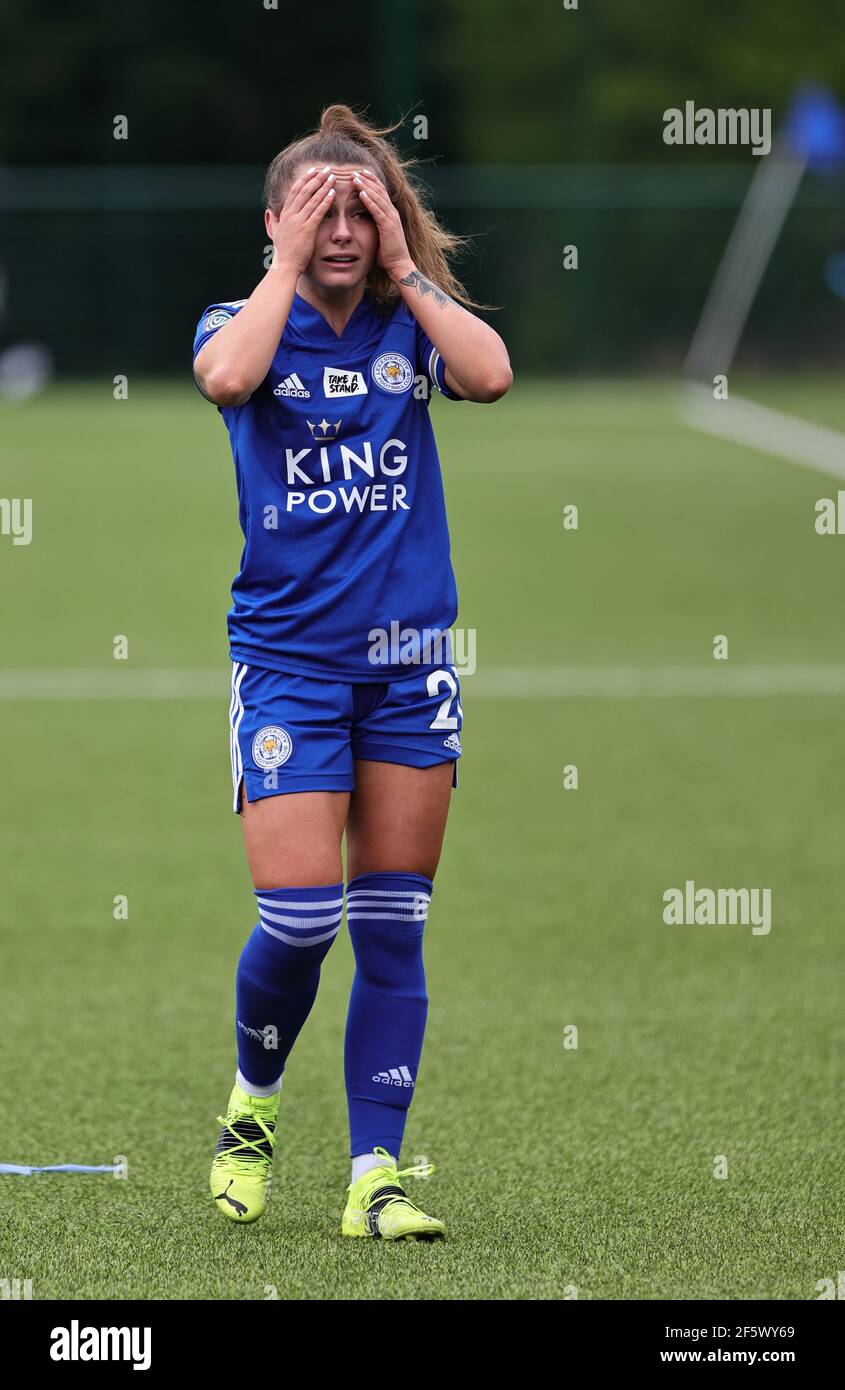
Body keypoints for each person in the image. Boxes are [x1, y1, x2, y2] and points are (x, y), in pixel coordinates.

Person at [193, 104, 512, 1240]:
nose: (340, 230)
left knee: (391, 924)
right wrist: (285, 267)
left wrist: (408, 265)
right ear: (274, 222)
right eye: (317, 211)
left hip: (410, 663)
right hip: (288, 665)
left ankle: (375, 1174)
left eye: (359, 211)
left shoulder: (405, 322)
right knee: (297, 922)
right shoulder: (241, 319)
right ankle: (252, 1109)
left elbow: (491, 376)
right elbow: (226, 380)